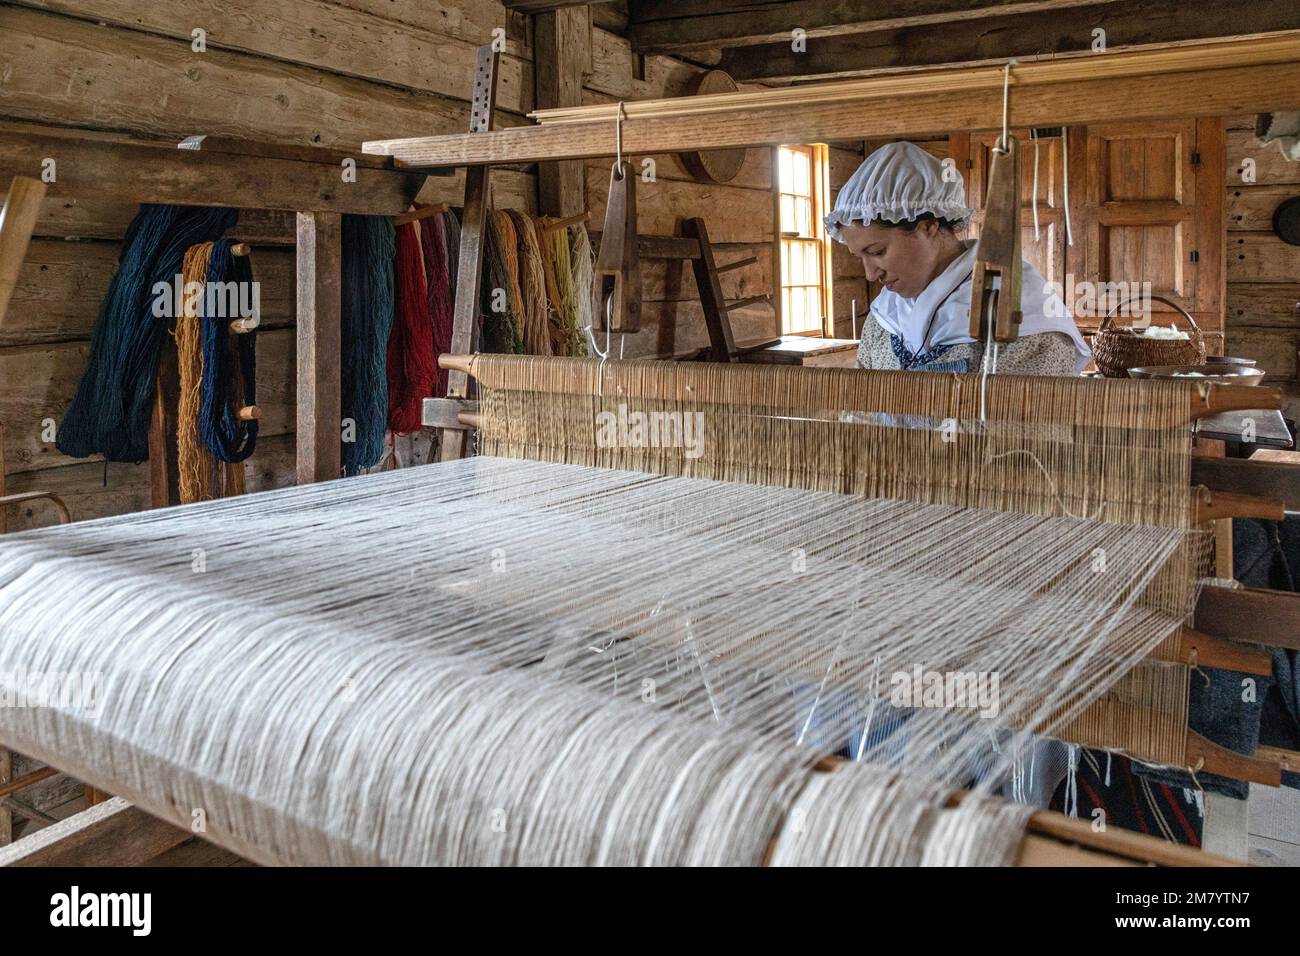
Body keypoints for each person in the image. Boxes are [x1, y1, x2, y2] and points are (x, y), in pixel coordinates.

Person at [825, 141, 1091, 376]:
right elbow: (864, 412)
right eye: (861, 257)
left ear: (928, 226)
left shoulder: (1023, 316)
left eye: (877, 252)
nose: (871, 275)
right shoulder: (885, 316)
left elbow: (1021, 427)